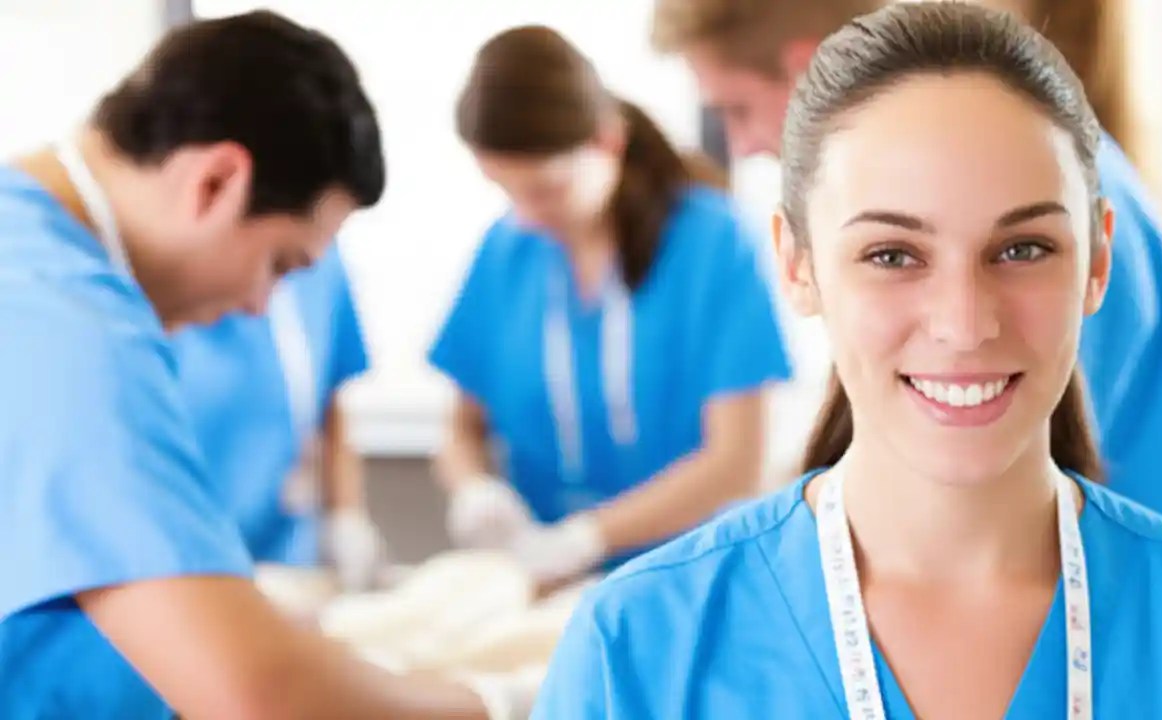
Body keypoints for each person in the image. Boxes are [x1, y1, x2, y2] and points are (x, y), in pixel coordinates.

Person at [534, 5, 1162, 718]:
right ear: (797, 265)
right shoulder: (635, 651)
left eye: (1022, 250)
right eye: (892, 255)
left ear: (1098, 261)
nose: (963, 324)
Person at [0, 11, 496, 719]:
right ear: (216, 182)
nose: (263, 307)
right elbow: (258, 698)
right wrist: (497, 705)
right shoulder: (69, 329)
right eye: (280, 264)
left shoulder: (21, 242)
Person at [651, 0, 1162, 532]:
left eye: (737, 108)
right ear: (796, 264)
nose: (742, 144)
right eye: (891, 257)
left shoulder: (1061, 184)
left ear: (804, 67)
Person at [430, 25, 791, 588]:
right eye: (507, 191)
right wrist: (474, 488)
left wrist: (589, 536)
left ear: (608, 142)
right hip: (549, 586)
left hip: (689, 578)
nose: (526, 215)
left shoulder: (713, 242)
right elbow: (461, 426)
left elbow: (737, 461)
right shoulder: (508, 249)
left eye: (547, 189)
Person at [170, 242, 386, 592]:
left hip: (285, 553)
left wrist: (347, 515)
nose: (259, 304)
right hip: (179, 561)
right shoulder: (159, 264)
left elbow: (329, 400)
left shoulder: (319, 259)